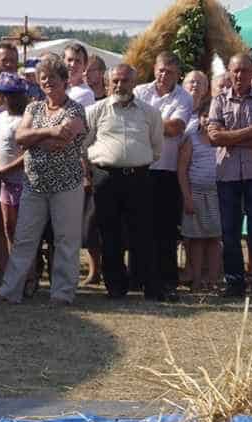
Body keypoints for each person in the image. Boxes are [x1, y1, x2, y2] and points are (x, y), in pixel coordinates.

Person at [0, 56, 87, 305]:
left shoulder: (75, 109)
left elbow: (62, 141)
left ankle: (62, 293)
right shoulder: (33, 108)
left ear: (64, 81)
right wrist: (47, 132)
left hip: (66, 185)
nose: (47, 82)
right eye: (43, 77)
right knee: (25, 239)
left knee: (65, 240)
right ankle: (9, 291)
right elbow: (20, 137)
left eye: (53, 77)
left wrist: (34, 139)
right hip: (34, 183)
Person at [83, 63, 164, 299]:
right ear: (108, 83)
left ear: (134, 83)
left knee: (143, 233)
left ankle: (147, 285)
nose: (120, 85)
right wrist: (89, 174)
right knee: (110, 234)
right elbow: (82, 146)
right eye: (115, 81)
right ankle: (115, 287)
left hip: (139, 178)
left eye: (125, 80)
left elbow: (156, 147)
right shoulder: (95, 111)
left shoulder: (150, 113)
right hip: (106, 178)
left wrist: (136, 160)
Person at [208, 53, 252, 300]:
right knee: (230, 234)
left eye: (245, 71)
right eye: (235, 71)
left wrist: (232, 138)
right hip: (226, 176)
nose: (240, 75)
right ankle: (234, 284)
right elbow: (214, 137)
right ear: (229, 71)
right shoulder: (218, 101)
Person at [135, 51, 193, 297]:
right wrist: (159, 123)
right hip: (140, 168)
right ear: (154, 69)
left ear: (177, 74)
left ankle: (167, 280)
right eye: (160, 70)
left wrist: (145, 122)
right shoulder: (139, 92)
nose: (163, 75)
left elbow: (176, 128)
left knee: (166, 230)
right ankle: (138, 278)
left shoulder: (184, 96)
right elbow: (133, 125)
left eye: (169, 72)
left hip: (167, 172)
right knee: (139, 228)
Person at [177, 103, 221, 292]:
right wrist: (187, 197)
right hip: (195, 193)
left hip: (217, 194)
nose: (208, 119)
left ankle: (212, 281)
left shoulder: (223, 138)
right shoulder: (191, 138)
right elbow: (182, 170)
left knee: (214, 239)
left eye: (212, 116)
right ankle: (195, 281)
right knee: (196, 239)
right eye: (205, 115)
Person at [0, 72, 28, 277]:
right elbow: (1, 146)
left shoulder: (25, 119)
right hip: (5, 183)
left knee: (24, 232)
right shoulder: (1, 117)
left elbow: (28, 154)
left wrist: (6, 169)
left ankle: (28, 274)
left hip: (23, 181)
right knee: (9, 228)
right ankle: (13, 272)